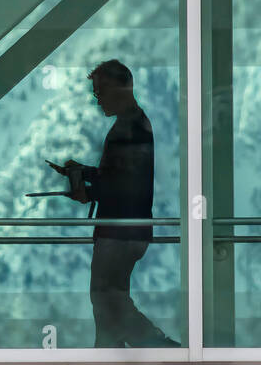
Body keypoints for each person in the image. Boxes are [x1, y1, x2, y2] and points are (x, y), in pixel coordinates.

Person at [55, 60, 177, 348]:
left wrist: (88, 190)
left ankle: (157, 348)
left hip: (120, 231)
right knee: (108, 297)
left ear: (123, 88)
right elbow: (121, 177)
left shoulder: (129, 129)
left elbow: (123, 186)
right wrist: (85, 173)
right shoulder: (134, 124)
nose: (98, 101)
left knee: (106, 295)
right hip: (127, 229)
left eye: (102, 93)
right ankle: (109, 353)